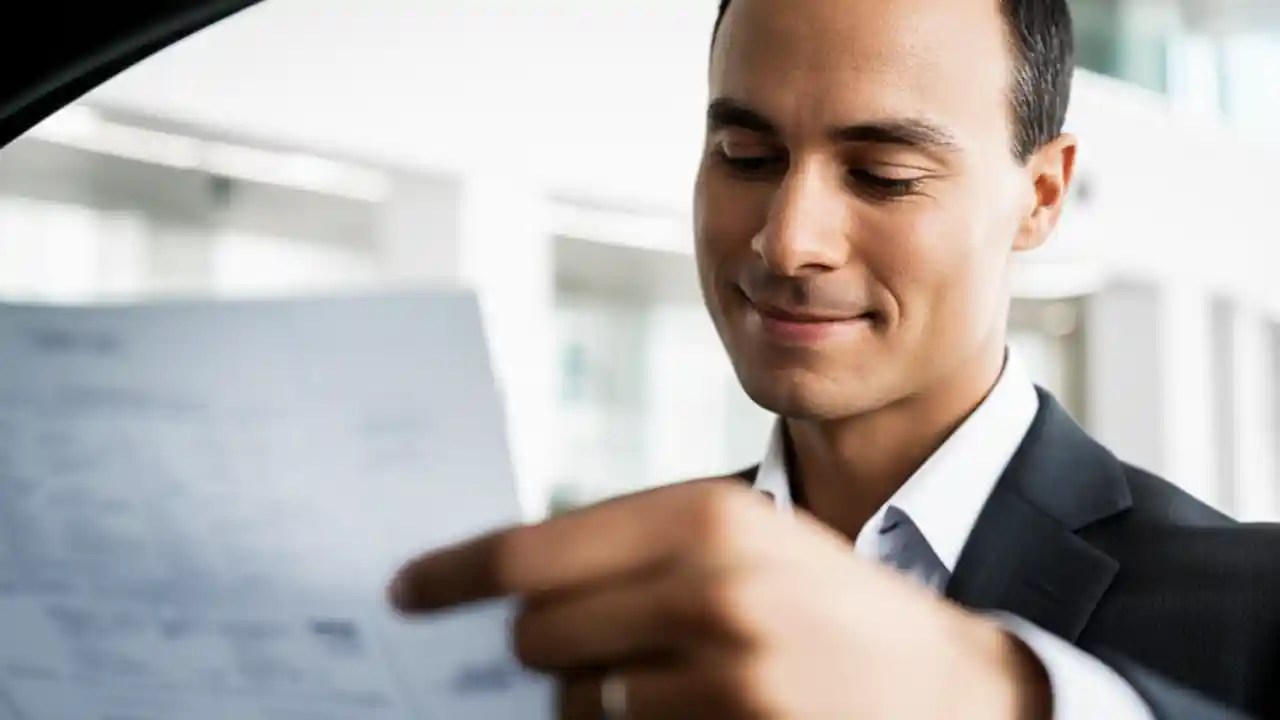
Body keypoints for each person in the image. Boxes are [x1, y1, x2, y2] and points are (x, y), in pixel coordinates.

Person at [387, 0, 1280, 717]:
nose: (787, 242)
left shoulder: (1255, 606)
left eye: (884, 176)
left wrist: (995, 699)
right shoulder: (609, 603)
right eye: (745, 157)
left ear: (1041, 196)